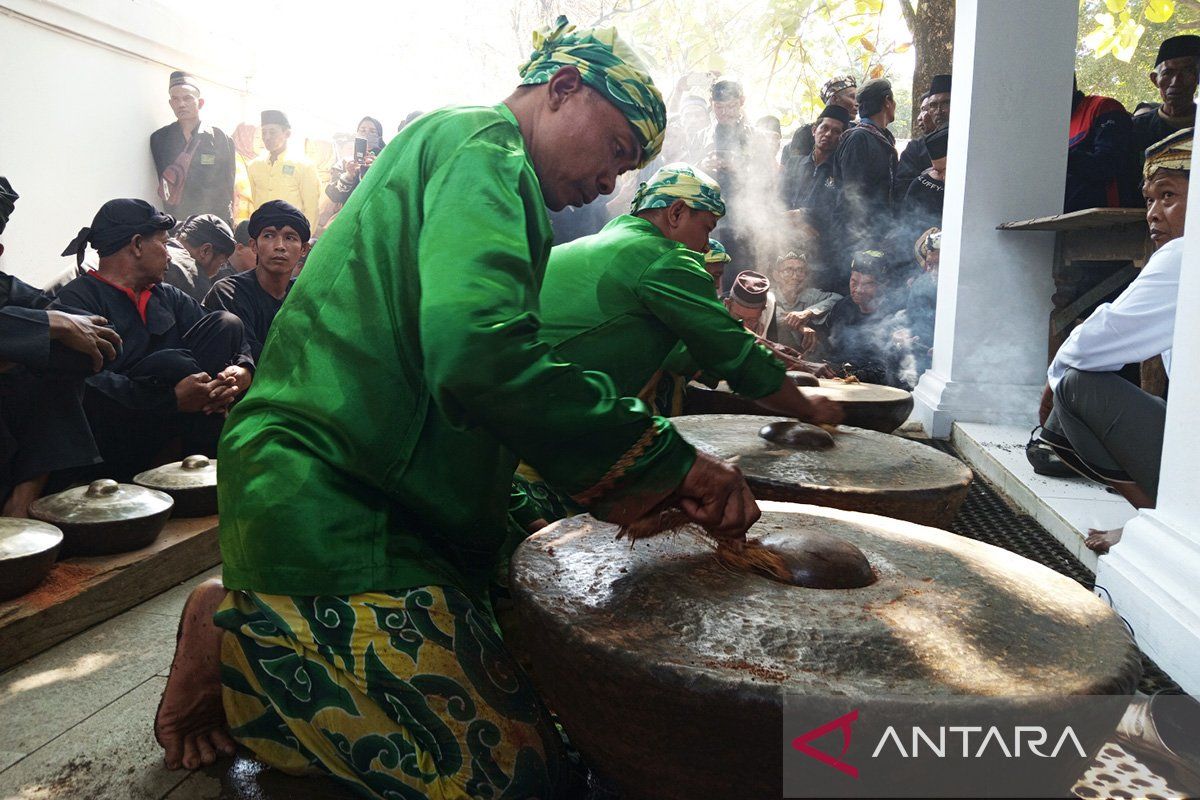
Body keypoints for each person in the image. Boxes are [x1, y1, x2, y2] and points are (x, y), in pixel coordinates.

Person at [154, 17, 762, 798]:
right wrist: (665, 459)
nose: (613, 183)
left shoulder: (487, 166)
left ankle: (284, 637)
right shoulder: (483, 146)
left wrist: (629, 477)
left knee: (572, 669)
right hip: (331, 491)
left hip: (421, 483)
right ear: (563, 89)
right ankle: (245, 642)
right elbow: (479, 350)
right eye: (616, 150)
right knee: (518, 777)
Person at [523, 164, 842, 521]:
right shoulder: (660, 258)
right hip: (541, 453)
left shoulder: (606, 244)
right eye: (706, 229)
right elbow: (736, 357)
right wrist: (808, 409)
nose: (706, 245)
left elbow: (690, 349)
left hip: (513, 433)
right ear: (676, 213)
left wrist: (768, 353)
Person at [1038, 128, 1191, 554]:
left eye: (1169, 196)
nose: (1153, 214)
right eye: (1149, 200)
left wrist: (1053, 379)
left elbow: (1103, 338)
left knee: (1074, 385)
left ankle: (1160, 531)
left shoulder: (1186, 255)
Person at [54, 199, 254, 481]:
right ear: (137, 245)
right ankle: (167, 466)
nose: (171, 256)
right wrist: (169, 400)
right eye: (163, 243)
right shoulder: (78, 299)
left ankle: (196, 464)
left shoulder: (165, 295)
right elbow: (84, 386)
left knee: (226, 324)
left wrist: (242, 371)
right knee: (171, 363)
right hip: (122, 434)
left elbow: (227, 336)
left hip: (183, 422)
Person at [0, 177, 120, 516]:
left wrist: (16, 347)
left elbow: (105, 340)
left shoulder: (10, 292)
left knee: (59, 366)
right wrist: (53, 325)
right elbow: (60, 322)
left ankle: (23, 504)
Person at [203, 201, 307, 359]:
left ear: (303, 250)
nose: (280, 246)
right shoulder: (229, 293)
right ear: (254, 246)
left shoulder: (303, 297)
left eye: (290, 237)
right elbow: (247, 355)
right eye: (269, 235)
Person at [150, 72, 236, 224]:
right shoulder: (160, 139)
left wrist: (226, 225)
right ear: (170, 104)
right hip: (178, 224)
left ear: (200, 103)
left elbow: (228, 186)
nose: (181, 104)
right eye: (175, 99)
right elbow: (164, 184)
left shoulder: (220, 138)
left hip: (213, 223)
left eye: (187, 98)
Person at [816, 249, 908, 387]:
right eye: (854, 281)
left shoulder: (896, 313)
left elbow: (892, 366)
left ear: (884, 284)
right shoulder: (842, 307)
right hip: (840, 379)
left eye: (867, 284)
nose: (858, 289)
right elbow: (829, 347)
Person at [834, 78, 898, 272]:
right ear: (887, 101)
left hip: (879, 234)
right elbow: (853, 197)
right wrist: (864, 240)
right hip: (859, 240)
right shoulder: (858, 138)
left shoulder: (884, 138)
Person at [1066, 76, 1141, 211]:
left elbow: (1108, 163)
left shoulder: (1103, 107)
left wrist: (1059, 157)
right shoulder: (1051, 123)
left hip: (1106, 219)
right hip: (1062, 218)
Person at [1131, 35, 1200, 167]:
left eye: (1187, 71)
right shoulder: (1135, 129)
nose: (1176, 81)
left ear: (1197, 78)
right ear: (1154, 79)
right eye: (1168, 73)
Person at [247, 110, 320, 232]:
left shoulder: (304, 165)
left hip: (291, 235)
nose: (267, 137)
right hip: (262, 233)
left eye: (272, 132)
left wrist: (304, 240)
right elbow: (253, 201)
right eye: (264, 133)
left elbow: (311, 209)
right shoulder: (254, 165)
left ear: (287, 134)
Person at [318, 116, 387, 234]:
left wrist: (378, 169)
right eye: (362, 130)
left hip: (376, 220)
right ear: (357, 134)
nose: (366, 134)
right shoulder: (345, 162)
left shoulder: (387, 161)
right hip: (347, 219)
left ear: (379, 136)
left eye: (372, 131)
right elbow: (334, 196)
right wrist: (348, 175)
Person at [767, 251, 842, 353]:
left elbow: (838, 299)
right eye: (788, 270)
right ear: (776, 276)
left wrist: (808, 313)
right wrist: (801, 327)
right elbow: (771, 312)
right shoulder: (769, 294)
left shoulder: (810, 295)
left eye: (800, 271)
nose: (795, 277)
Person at [895, 74, 950, 196]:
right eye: (933, 105)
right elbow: (902, 190)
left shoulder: (971, 143)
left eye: (946, 103)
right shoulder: (916, 148)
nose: (939, 111)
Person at [162, 214, 237, 303]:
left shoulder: (159, 249)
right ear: (205, 251)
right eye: (221, 265)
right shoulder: (194, 278)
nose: (218, 272)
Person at [899, 124, 948, 249]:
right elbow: (905, 226)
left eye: (946, 170)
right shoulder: (921, 184)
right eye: (937, 171)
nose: (942, 177)